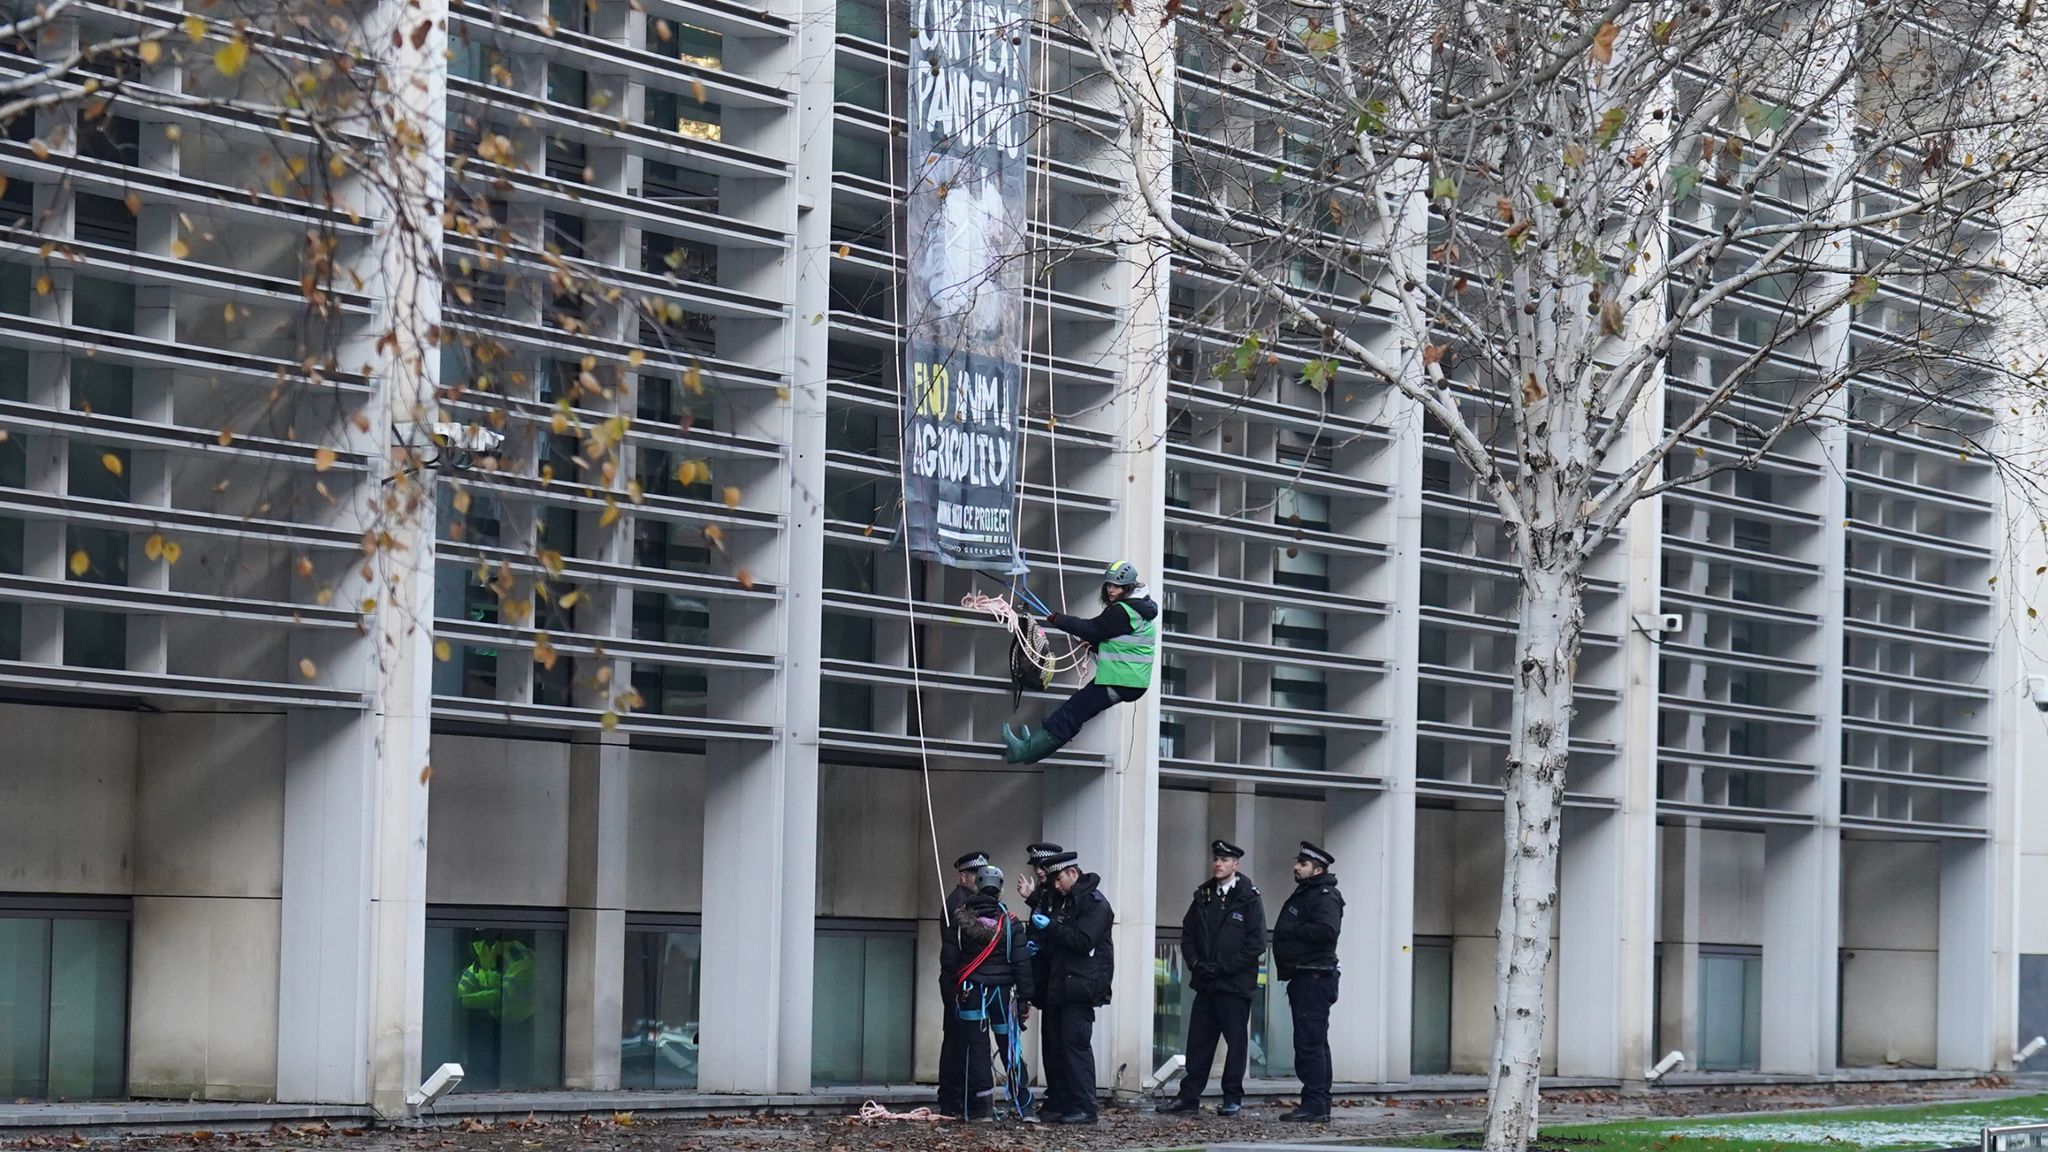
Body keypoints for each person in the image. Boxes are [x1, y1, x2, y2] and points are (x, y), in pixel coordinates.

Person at [1001, 563, 1159, 764]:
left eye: (1117, 587)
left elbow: (1091, 628)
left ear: (1127, 588)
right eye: (1109, 585)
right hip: (1128, 680)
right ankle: (1032, 747)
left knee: (1073, 712)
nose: (1111, 590)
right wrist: (1092, 647)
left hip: (1122, 680)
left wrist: (1057, 619)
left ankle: (1027, 751)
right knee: (1075, 711)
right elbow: (1121, 644)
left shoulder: (1123, 612)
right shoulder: (1140, 609)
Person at [1157, 839, 1266, 1117]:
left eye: (1225, 859)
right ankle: (1189, 1096)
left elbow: (1255, 944)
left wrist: (1224, 967)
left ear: (1236, 864)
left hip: (1234, 984)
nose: (1218, 863)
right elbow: (1189, 934)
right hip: (1206, 983)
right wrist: (1195, 964)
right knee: (1198, 1043)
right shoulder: (1204, 896)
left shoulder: (1248, 898)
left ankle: (1232, 1096)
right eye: (1216, 858)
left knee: (1236, 1043)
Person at [937, 865, 1036, 1121]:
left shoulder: (959, 921)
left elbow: (949, 962)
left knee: (976, 1051)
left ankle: (979, 1110)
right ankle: (1024, 1107)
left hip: (972, 993)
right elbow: (1022, 963)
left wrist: (952, 995)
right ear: (1000, 890)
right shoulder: (1011, 922)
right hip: (1002, 996)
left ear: (977, 887)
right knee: (1010, 1050)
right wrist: (1025, 999)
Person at [1031, 851, 1113, 1125]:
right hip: (1059, 984)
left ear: (1073, 873)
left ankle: (1084, 1105)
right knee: (1054, 1047)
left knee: (1075, 1046)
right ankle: (1059, 1101)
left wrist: (1051, 927)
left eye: (1059, 879)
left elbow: (1082, 941)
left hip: (1080, 986)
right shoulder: (1064, 901)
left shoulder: (1094, 903)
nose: (1055, 885)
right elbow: (1058, 941)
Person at [1272, 841, 1344, 1123]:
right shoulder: (1309, 893)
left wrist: (1294, 930)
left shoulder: (1324, 895)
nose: (1296, 867)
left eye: (1302, 864)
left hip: (1314, 977)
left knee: (1309, 1044)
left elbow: (1327, 931)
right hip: (1306, 975)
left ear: (1317, 869)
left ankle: (1315, 1104)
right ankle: (1318, 1102)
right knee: (1313, 1042)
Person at [937, 850, 991, 1117]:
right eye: (976, 876)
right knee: (958, 1042)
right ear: (964, 876)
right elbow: (952, 952)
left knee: (960, 1041)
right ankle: (953, 1099)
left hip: (959, 980)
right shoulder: (960, 905)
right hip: (958, 981)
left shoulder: (968, 901)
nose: (980, 881)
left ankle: (955, 1099)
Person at [1018, 843, 1063, 1110]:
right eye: (1036, 866)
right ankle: (1054, 1096)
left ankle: (1059, 1097)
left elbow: (1055, 927)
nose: (1039, 871)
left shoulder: (1054, 894)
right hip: (1045, 980)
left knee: (1059, 1043)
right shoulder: (1044, 894)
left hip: (1056, 979)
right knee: (1051, 1042)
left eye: (1043, 866)